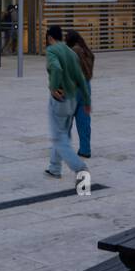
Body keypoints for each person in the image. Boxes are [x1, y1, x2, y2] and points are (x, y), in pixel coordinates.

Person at [44, 25, 89, 181]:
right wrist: (87, 101)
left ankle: (80, 168)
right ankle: (54, 168)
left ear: (50, 38)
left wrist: (53, 87)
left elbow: (56, 68)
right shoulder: (71, 52)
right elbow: (80, 78)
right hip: (72, 100)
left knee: (58, 137)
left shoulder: (51, 50)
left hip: (59, 100)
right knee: (63, 134)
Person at [65, 30, 95, 158]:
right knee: (84, 121)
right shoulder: (86, 50)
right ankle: (85, 149)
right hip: (86, 87)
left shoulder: (73, 51)